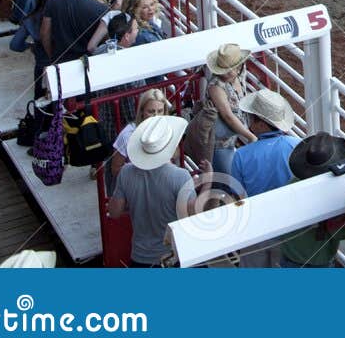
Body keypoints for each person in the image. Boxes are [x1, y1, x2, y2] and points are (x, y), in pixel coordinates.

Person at [106, 115, 199, 267]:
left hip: (140, 257)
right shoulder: (180, 176)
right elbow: (192, 215)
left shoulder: (126, 173)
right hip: (174, 257)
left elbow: (114, 212)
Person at [38, 0, 114, 97]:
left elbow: (44, 33)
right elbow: (106, 42)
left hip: (60, 63)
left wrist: (53, 56)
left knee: (62, 103)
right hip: (86, 69)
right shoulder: (102, 10)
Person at [279, 133, 345, 268]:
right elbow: (344, 232)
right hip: (318, 263)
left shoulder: (291, 185)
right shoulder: (331, 198)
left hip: (289, 257)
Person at [229, 89, 300, 198]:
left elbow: (238, 196)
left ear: (261, 125)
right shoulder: (297, 144)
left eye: (250, 117)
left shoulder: (240, 155)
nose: (248, 121)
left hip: (260, 212)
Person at [202, 43, 254, 182]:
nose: (225, 73)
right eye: (223, 69)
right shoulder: (215, 86)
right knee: (228, 181)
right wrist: (251, 136)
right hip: (220, 143)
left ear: (239, 66)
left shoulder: (240, 75)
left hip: (233, 137)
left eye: (229, 69)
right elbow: (228, 116)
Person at [107, 88, 173, 185]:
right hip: (136, 185)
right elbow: (116, 170)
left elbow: (176, 154)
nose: (156, 116)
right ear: (141, 111)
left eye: (160, 111)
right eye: (151, 111)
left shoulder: (169, 128)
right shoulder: (127, 135)